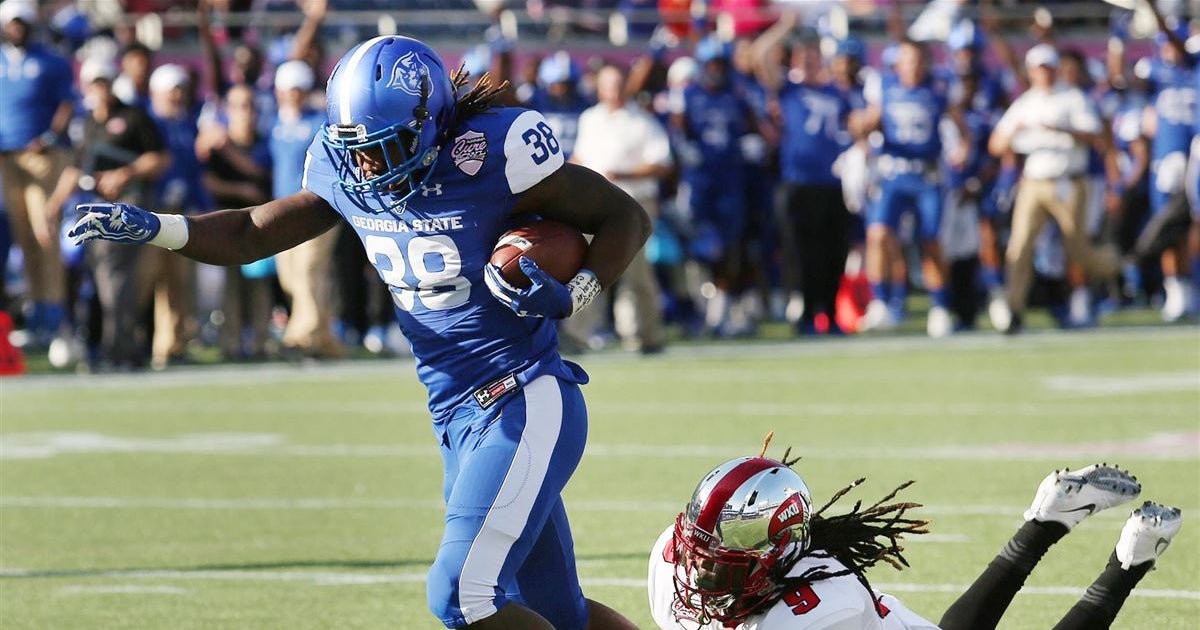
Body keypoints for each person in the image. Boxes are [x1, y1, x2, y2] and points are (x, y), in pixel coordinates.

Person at [70, 35, 648, 630]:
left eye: (385, 145)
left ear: (431, 122)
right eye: (356, 149)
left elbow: (625, 215)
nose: (368, 164)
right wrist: (159, 228)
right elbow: (252, 232)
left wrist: (576, 292)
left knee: (462, 596)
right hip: (454, 414)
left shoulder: (494, 153)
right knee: (562, 615)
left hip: (524, 399)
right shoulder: (348, 167)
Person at [649, 454, 1182, 630]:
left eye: (728, 558)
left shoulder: (818, 609)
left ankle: (1127, 563)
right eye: (703, 552)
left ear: (782, 550)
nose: (703, 575)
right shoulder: (668, 565)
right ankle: (1054, 523)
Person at [988, 44, 1119, 335]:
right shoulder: (1025, 103)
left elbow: (1095, 136)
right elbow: (995, 144)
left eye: (1048, 67)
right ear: (1032, 71)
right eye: (1039, 68)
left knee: (1077, 249)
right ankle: (1013, 310)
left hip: (1068, 180)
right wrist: (1015, 133)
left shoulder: (1072, 98)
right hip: (1034, 181)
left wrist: (1059, 129)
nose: (1044, 74)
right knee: (1019, 246)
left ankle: (1115, 264)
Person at [53, 56, 169, 371]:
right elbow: (77, 169)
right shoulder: (89, 122)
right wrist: (52, 208)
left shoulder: (133, 116)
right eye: (94, 83)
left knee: (117, 282)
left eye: (103, 82)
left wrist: (125, 173)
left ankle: (117, 348)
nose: (99, 89)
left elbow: (159, 158)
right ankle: (112, 347)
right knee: (101, 282)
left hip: (126, 209)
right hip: (92, 212)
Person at [853, 38, 965, 338]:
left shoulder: (939, 88)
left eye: (917, 60)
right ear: (897, 63)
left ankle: (940, 307)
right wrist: (861, 126)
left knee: (931, 242)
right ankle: (881, 303)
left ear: (926, 62)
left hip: (927, 176)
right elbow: (869, 123)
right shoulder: (886, 88)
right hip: (893, 174)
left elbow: (961, 128)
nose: (912, 66)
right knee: (877, 235)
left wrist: (962, 149)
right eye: (907, 60)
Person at [569, 63, 671, 354]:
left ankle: (645, 334)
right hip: (592, 204)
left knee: (634, 271)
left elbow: (661, 163)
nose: (613, 91)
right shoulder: (590, 119)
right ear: (599, 87)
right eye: (608, 84)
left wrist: (624, 174)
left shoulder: (641, 120)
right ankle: (579, 333)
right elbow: (580, 156)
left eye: (617, 84)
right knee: (583, 268)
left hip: (632, 202)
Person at [0, 0, 75, 350]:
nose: (16, 28)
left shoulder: (50, 60)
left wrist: (47, 137)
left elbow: (66, 103)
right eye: (11, 23)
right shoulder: (1, 61)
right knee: (24, 238)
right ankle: (37, 311)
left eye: (21, 22)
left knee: (44, 231)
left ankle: (54, 314)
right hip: (7, 158)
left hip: (42, 156)